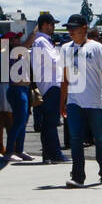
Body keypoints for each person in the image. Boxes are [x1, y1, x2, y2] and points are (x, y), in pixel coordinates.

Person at [60, 13, 102, 188]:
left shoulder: (96, 48)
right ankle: (78, 175)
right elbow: (64, 79)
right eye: (68, 28)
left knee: (99, 137)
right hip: (74, 101)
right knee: (75, 138)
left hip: (94, 101)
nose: (70, 31)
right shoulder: (65, 49)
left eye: (73, 28)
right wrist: (62, 103)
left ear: (84, 28)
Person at [31, 13, 66, 164]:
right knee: (51, 122)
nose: (53, 27)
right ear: (45, 25)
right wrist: (62, 54)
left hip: (50, 85)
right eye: (52, 24)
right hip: (51, 84)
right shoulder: (41, 41)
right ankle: (55, 154)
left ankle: (48, 154)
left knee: (49, 122)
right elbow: (55, 61)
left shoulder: (42, 41)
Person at [2, 31, 33, 162]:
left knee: (23, 122)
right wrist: (34, 32)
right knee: (19, 122)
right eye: (16, 38)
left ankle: (19, 150)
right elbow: (27, 45)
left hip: (23, 89)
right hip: (17, 89)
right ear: (10, 42)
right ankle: (9, 151)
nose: (19, 39)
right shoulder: (11, 53)